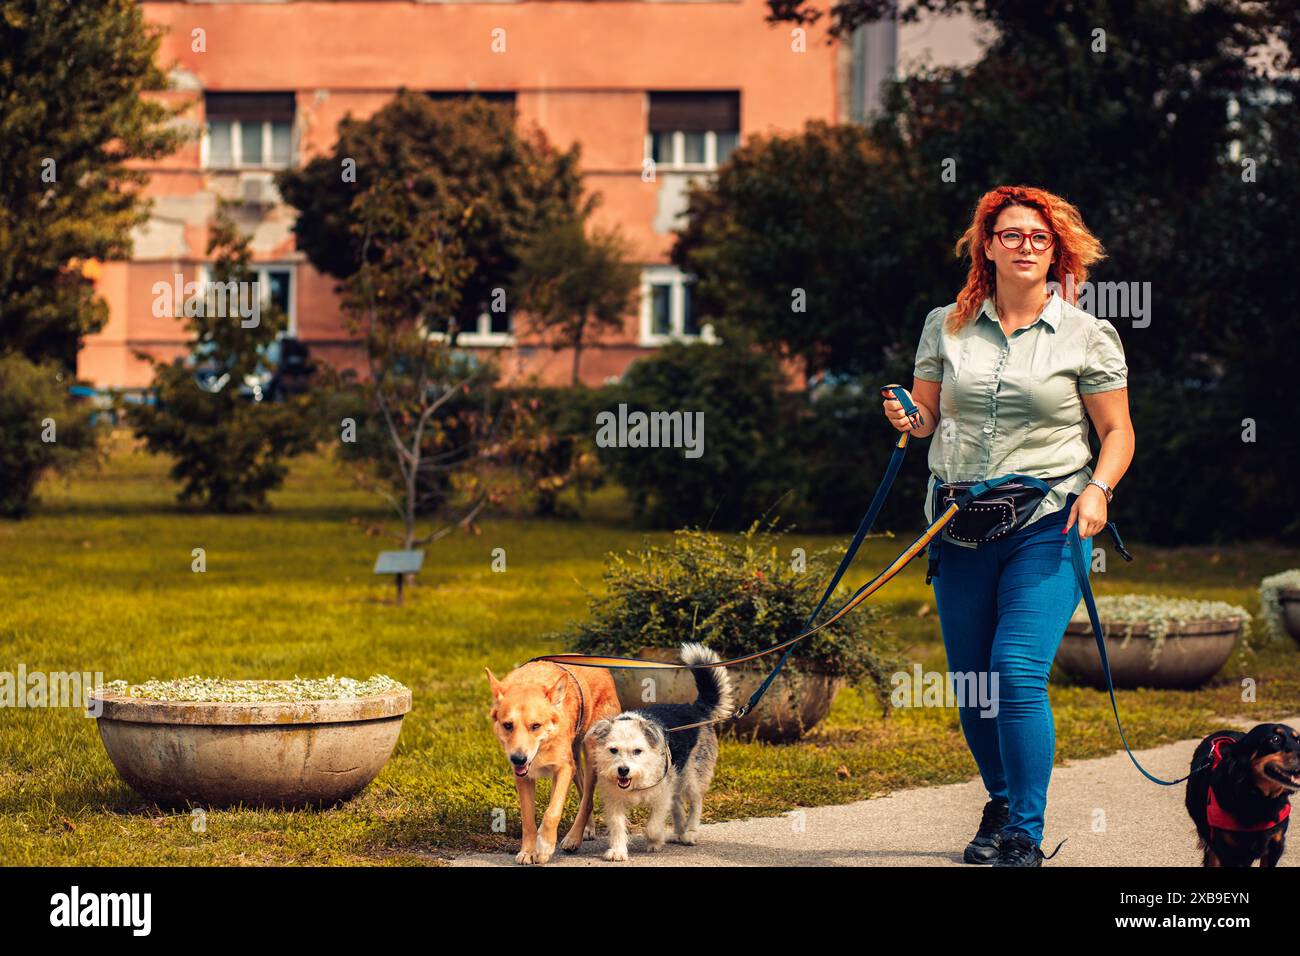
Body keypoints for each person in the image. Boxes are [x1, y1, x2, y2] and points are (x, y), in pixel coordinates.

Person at [882, 185, 1134, 867]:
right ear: (986, 245)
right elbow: (930, 416)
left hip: (1048, 520)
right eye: (1012, 235)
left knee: (1016, 671)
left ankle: (1024, 828)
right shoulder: (946, 325)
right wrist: (910, 417)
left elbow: (1116, 432)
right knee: (973, 683)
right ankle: (998, 800)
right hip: (958, 523)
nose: (1026, 247)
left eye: (1039, 238)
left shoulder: (1087, 334)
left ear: (1056, 251)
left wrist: (1099, 490)